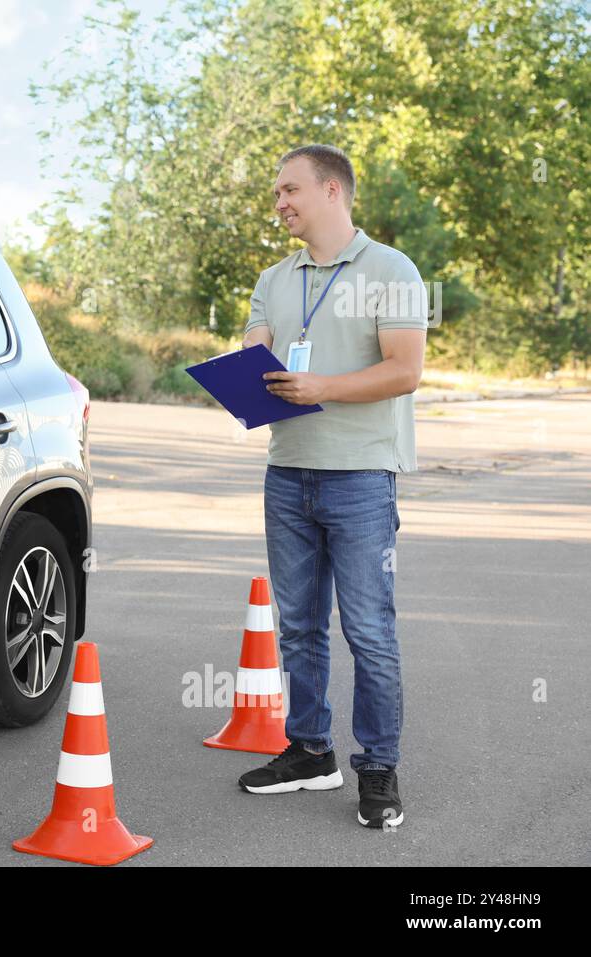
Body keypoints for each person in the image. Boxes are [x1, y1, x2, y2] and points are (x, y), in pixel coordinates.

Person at [236, 144, 429, 829]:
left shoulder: (392, 271)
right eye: (276, 193)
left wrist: (322, 387)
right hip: (287, 474)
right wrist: (243, 381)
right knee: (298, 627)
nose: (280, 202)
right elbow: (256, 356)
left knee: (370, 632)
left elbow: (405, 371)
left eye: (289, 189)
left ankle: (377, 769)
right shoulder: (272, 279)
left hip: (361, 479)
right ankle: (311, 751)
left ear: (333, 190)